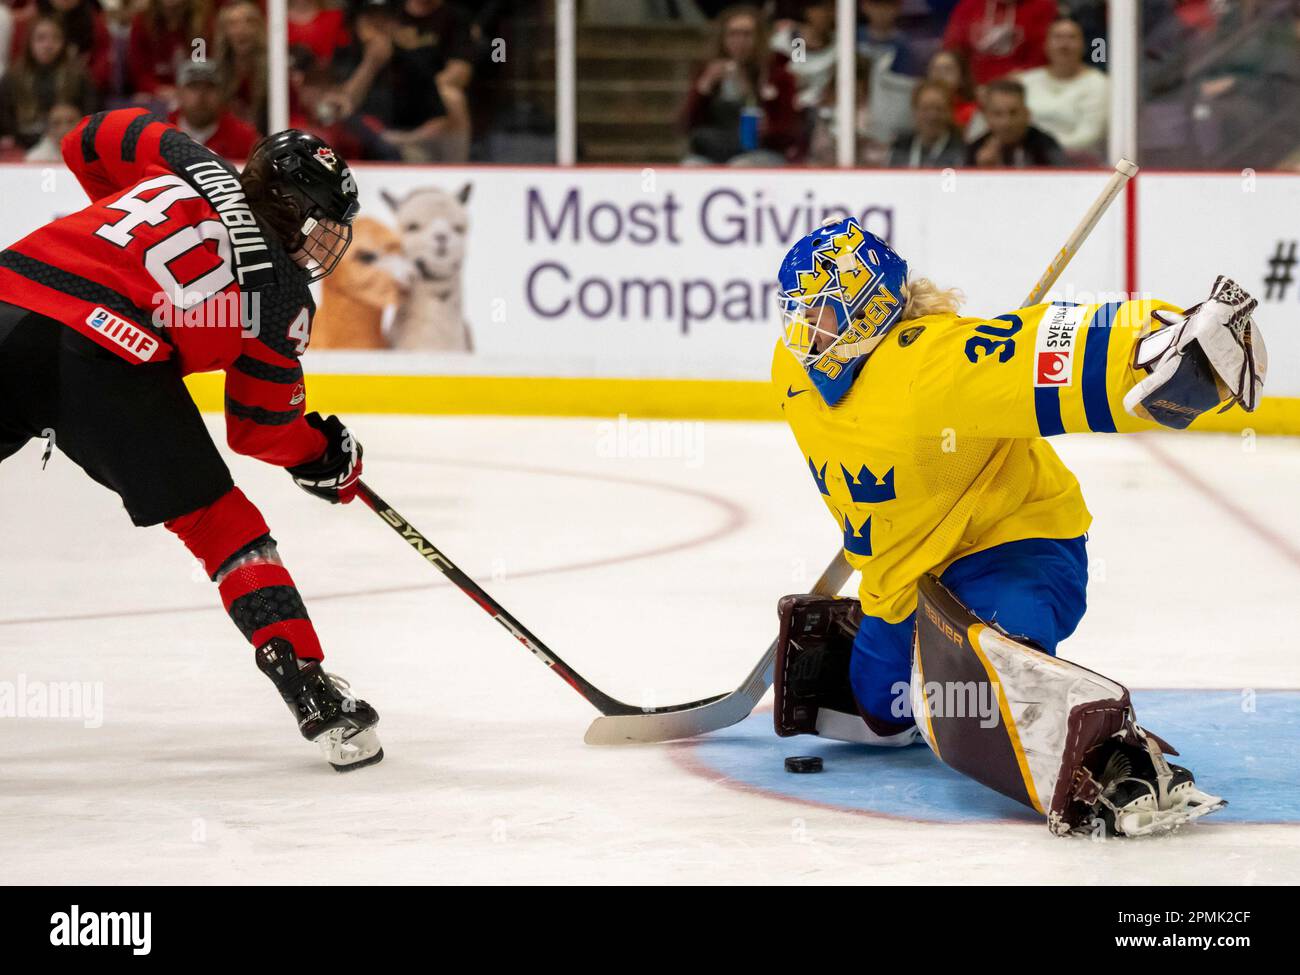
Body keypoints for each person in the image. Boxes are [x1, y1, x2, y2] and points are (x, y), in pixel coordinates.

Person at [770, 217, 1265, 834]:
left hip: (1014, 543)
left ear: (869, 313)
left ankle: (1107, 756)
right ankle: (910, 660)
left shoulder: (932, 366)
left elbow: (1041, 348)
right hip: (904, 573)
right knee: (882, 715)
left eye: (819, 313)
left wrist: (1162, 343)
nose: (801, 332)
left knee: (998, 664)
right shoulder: (793, 372)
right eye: (796, 313)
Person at [0, 108, 383, 771]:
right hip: (111, 358)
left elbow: (81, 140)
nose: (320, 241)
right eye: (318, 221)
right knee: (221, 523)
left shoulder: (183, 155)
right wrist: (320, 455)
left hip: (13, 298)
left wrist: (118, 238)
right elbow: (260, 430)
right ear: (290, 208)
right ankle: (311, 693)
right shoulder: (283, 292)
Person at [681, 4, 801, 166]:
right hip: (717, 148)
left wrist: (767, 127)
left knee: (741, 166)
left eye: (747, 34)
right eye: (733, 34)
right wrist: (704, 87)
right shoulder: (708, 72)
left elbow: (790, 129)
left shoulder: (778, 75)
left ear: (759, 38)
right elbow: (686, 125)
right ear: (723, 39)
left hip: (763, 151)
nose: (739, 41)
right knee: (692, 165)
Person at [1017, 16, 1109, 158]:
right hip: (1026, 166)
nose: (1064, 45)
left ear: (1084, 45)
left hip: (1080, 168)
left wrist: (1038, 149)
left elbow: (1089, 137)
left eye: (1072, 38)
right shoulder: (1025, 81)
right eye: (1057, 37)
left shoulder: (1099, 83)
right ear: (1045, 44)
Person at [0, 13, 94, 150]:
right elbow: (5, 119)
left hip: (69, 145)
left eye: (56, 38)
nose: (48, 45)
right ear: (29, 42)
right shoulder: (13, 77)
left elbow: (91, 115)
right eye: (41, 39)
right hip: (22, 147)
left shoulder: (78, 75)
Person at [942, 0, 1056, 85]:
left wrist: (1023, 78)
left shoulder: (1042, 6)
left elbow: (1042, 58)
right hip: (972, 89)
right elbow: (952, 51)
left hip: (1022, 86)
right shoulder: (969, 5)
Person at [169, 58, 259, 159]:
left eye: (209, 87)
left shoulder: (244, 138)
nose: (201, 95)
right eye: (193, 87)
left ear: (221, 93)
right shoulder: (161, 132)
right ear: (179, 93)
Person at [126, 0, 212, 103]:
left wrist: (184, 92)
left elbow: (202, 68)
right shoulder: (142, 22)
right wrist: (156, 90)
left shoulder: (202, 23)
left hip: (191, 94)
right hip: (153, 94)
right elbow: (140, 72)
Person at [965, 76, 1063, 167]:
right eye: (998, 114)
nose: (1006, 122)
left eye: (1013, 113)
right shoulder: (974, 150)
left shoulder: (1046, 146)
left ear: (1027, 114)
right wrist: (981, 171)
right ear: (986, 116)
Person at [888, 79, 964, 167]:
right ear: (914, 111)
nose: (932, 116)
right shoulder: (900, 147)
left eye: (939, 109)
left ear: (949, 112)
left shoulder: (960, 151)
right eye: (925, 109)